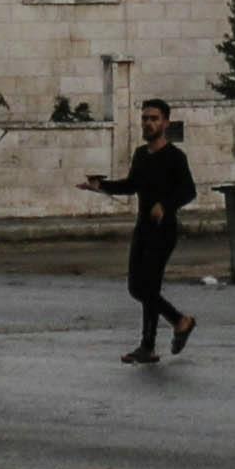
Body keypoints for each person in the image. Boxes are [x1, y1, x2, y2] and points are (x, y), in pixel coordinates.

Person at [91, 100, 198, 361]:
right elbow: (131, 185)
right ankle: (167, 331)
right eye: (145, 118)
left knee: (146, 287)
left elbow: (189, 191)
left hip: (164, 230)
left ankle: (163, 333)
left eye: (154, 118)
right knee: (138, 288)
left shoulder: (175, 157)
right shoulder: (141, 154)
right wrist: (100, 185)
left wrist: (166, 205)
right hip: (143, 228)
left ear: (165, 123)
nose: (148, 123)